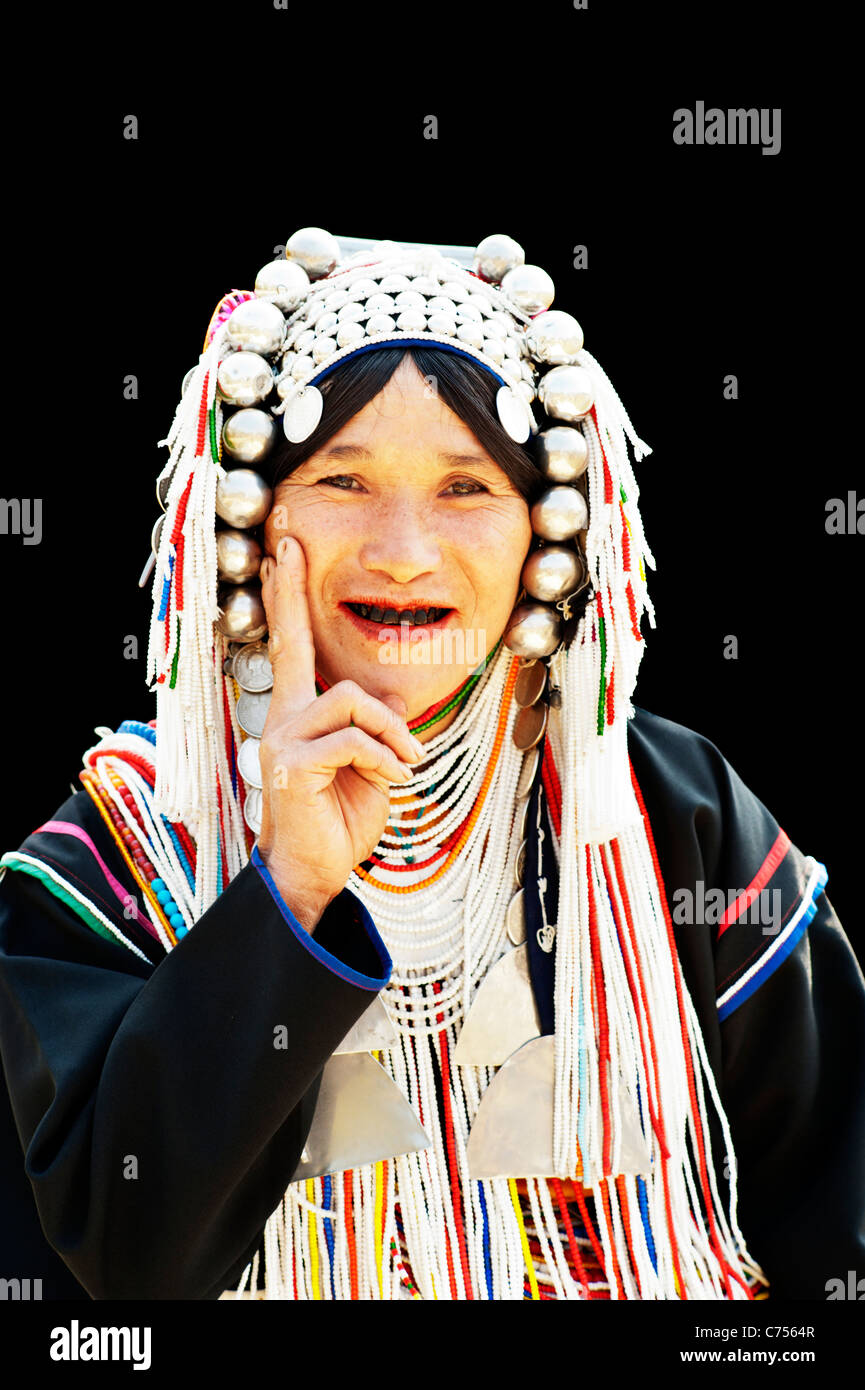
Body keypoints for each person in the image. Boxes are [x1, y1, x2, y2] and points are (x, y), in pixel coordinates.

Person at [0, 230, 862, 1302]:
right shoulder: (119, 854)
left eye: (465, 489)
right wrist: (289, 893)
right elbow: (126, 1262)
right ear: (254, 519)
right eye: (344, 478)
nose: (403, 549)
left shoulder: (668, 819)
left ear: (550, 538)